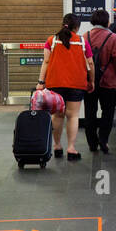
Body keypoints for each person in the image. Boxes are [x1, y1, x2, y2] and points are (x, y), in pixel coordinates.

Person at [39, 13, 94, 161]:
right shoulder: (82, 41)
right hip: (76, 83)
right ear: (77, 27)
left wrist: (40, 82)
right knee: (73, 116)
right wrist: (92, 81)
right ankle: (71, 148)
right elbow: (90, 63)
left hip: (55, 83)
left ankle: (57, 146)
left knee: (57, 115)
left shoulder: (52, 40)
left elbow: (46, 62)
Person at [83, 8, 116, 154]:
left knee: (90, 111)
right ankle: (103, 140)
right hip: (108, 81)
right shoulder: (113, 37)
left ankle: (92, 143)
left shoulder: (85, 36)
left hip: (89, 81)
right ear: (107, 21)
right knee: (108, 111)